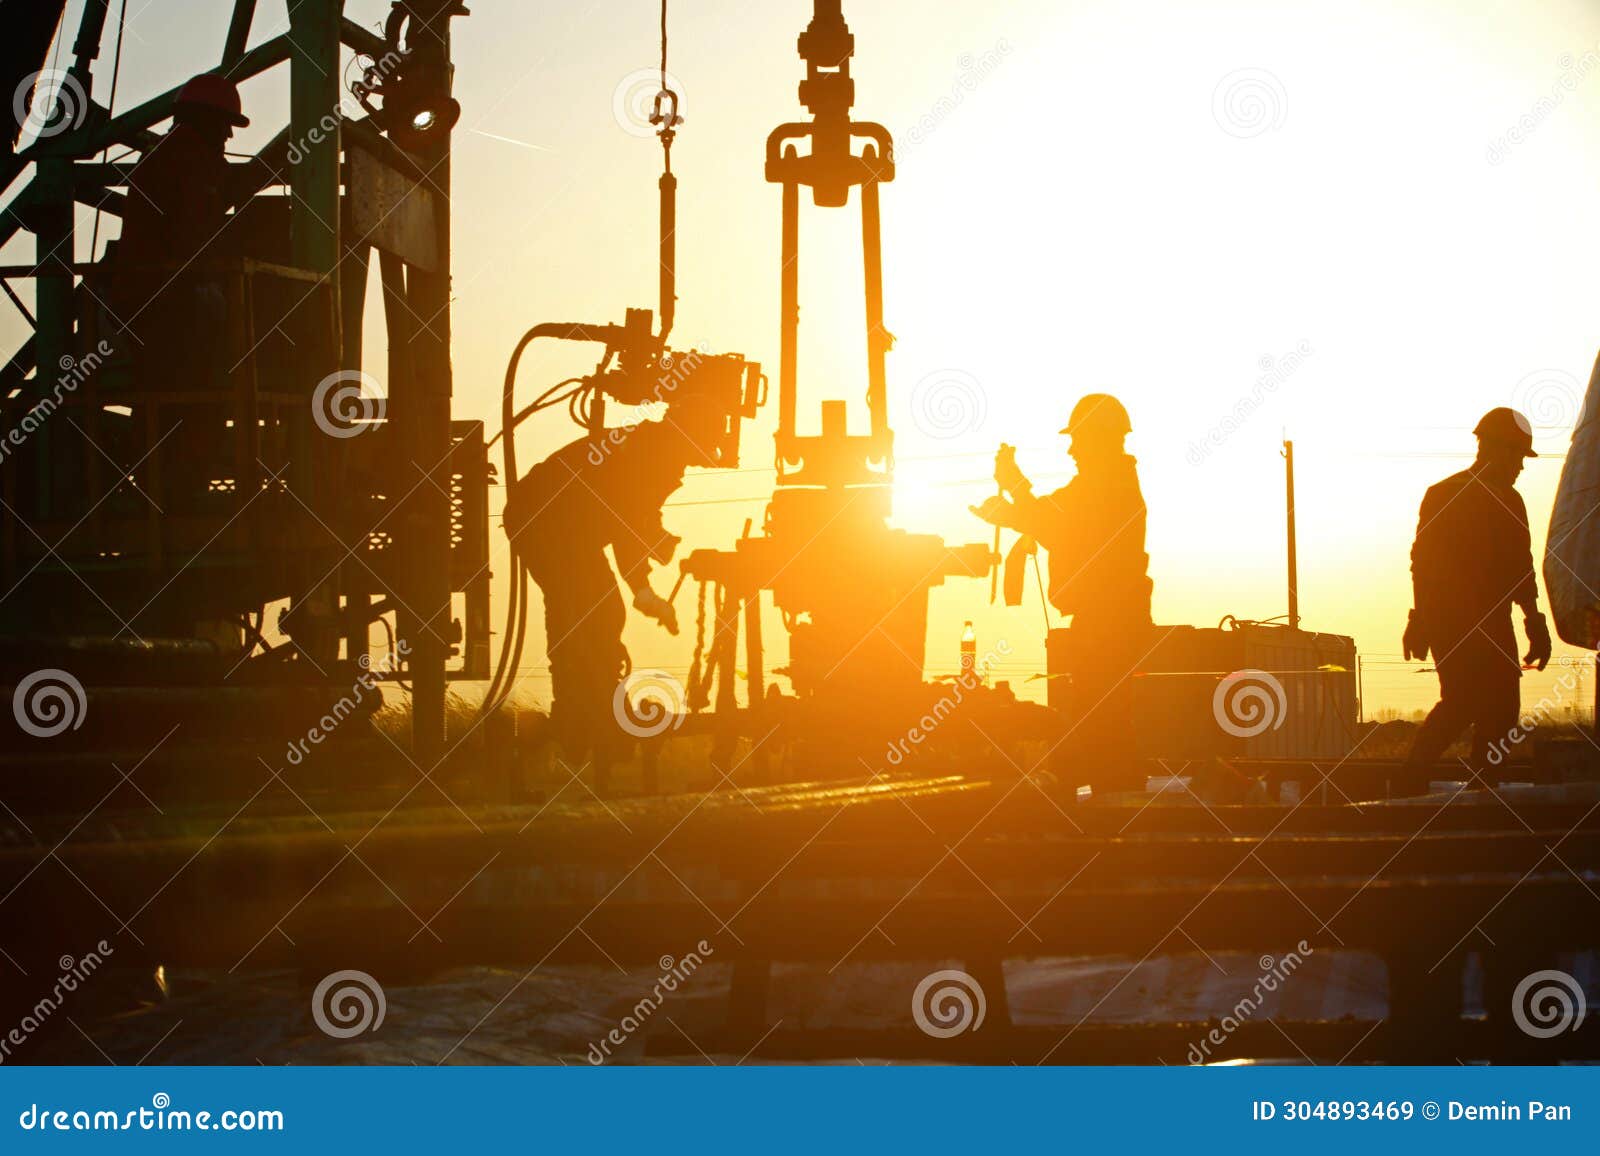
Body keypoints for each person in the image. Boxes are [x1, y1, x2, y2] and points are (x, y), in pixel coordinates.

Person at [503, 395, 724, 794]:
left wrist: (653, 552)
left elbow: (632, 519)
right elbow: (626, 529)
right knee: (593, 611)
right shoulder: (652, 456)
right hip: (547, 521)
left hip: (555, 522)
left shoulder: (652, 449)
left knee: (592, 612)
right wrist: (645, 591)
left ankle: (585, 712)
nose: (691, 465)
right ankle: (585, 715)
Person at [971, 393, 1152, 793]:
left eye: (1078, 440)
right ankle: (1113, 796)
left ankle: (1114, 800)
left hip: (1109, 621)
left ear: (1099, 439)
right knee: (1102, 716)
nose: (1072, 450)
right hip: (1111, 619)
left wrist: (1013, 489)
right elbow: (1051, 518)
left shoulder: (1107, 488)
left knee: (1102, 717)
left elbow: (1052, 521)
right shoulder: (1108, 485)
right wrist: (1013, 498)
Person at [112, 72, 248, 509]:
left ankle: (164, 485)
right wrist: (209, 287)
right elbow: (193, 231)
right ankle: (181, 490)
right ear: (204, 120)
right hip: (169, 306)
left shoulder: (168, 159)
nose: (229, 136)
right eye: (225, 125)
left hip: (149, 304)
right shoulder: (188, 163)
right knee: (201, 394)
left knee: (166, 400)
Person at [1403, 407, 1552, 782]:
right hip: (1452, 622)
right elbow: (1424, 564)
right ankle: (1411, 780)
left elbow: (1521, 568)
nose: (1521, 466)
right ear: (1496, 449)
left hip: (1490, 621)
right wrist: (1419, 620)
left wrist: (1535, 622)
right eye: (1518, 457)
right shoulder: (1445, 495)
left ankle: (1484, 785)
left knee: (1502, 709)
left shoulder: (1510, 501)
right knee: (1463, 702)